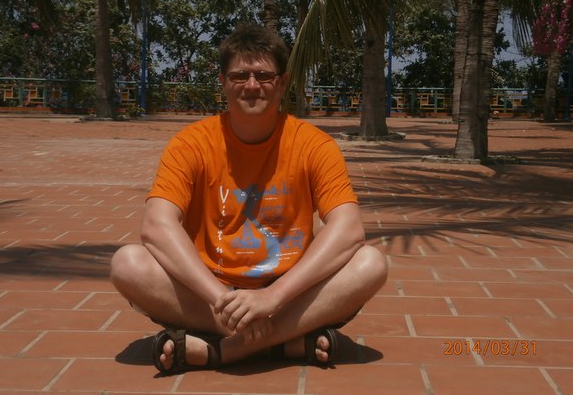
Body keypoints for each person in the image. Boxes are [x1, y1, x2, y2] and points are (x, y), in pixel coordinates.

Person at [110, 23, 388, 374]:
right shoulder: (190, 144)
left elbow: (349, 229)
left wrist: (272, 297)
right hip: (209, 293)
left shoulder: (314, 145)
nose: (252, 85)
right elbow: (156, 226)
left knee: (371, 264)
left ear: (282, 83)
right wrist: (223, 299)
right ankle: (283, 341)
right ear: (223, 82)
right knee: (127, 264)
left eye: (264, 76)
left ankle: (224, 351)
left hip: (287, 292)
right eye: (240, 76)